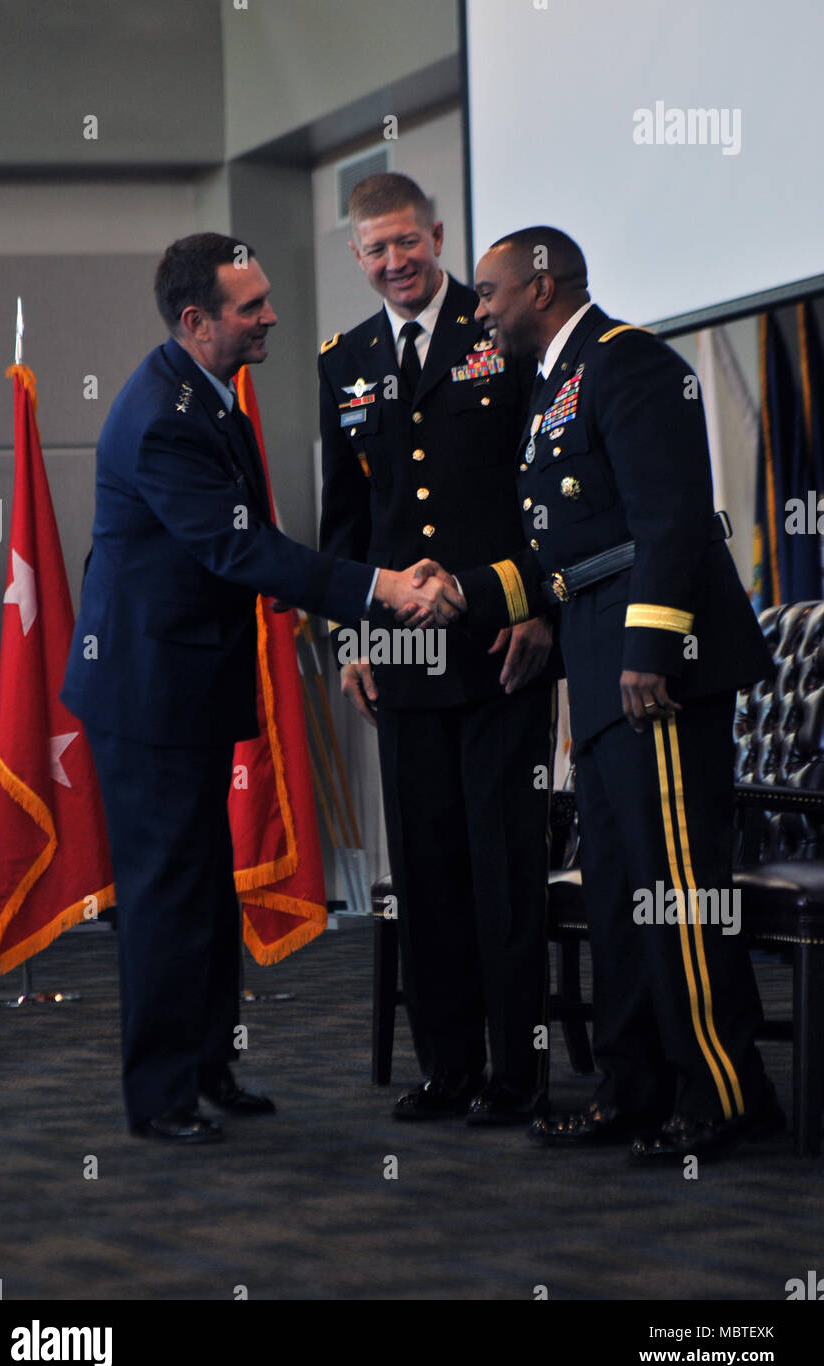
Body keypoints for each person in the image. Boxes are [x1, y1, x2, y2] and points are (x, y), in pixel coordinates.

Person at [61, 232, 463, 1145]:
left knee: (201, 889)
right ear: (197, 321)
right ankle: (161, 1096)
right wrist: (382, 587)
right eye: (252, 307)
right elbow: (241, 549)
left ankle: (206, 1068)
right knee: (168, 892)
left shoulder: (205, 392)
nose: (271, 316)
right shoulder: (165, 415)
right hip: (148, 692)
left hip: (183, 682)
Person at [424, 225, 785, 1162]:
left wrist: (651, 646)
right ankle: (635, 1088)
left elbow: (669, 516)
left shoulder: (630, 363)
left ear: (540, 286)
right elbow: (562, 554)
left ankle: (725, 1096)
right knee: (625, 891)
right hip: (595, 648)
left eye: (492, 295)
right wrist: (463, 592)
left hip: (652, 661)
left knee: (675, 887)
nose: (481, 312)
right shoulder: (554, 381)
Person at [318, 175, 557, 1126]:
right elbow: (348, 523)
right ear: (356, 256)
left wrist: (539, 606)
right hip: (397, 651)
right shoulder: (347, 359)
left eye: (406, 243)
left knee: (502, 866)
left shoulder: (499, 328)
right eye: (374, 250)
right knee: (425, 867)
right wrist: (351, 636)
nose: (393, 263)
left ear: (437, 235)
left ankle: (516, 1073)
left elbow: (547, 484)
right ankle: (448, 1066)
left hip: (501, 641)